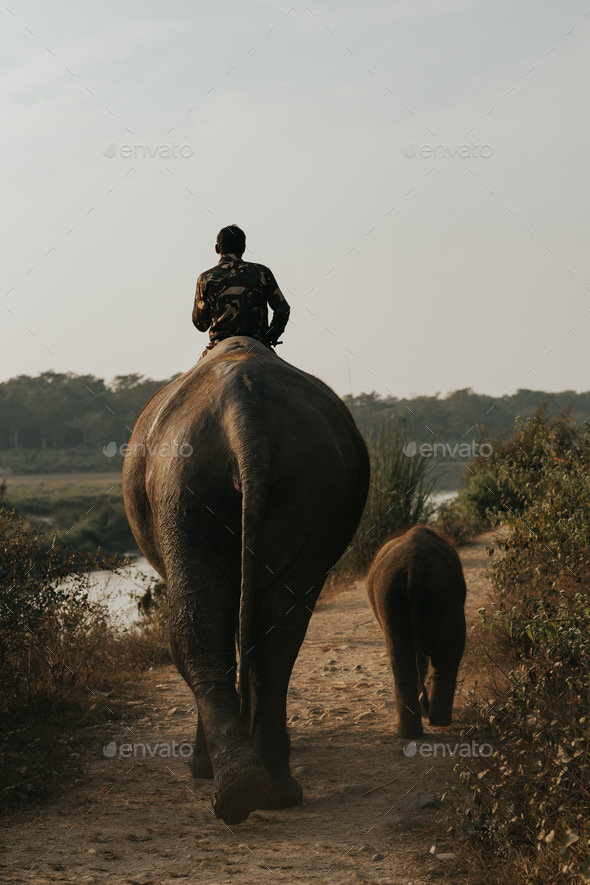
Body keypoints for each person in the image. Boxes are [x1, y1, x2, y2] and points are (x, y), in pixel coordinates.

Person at [192, 225, 290, 357]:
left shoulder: (205, 278)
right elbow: (283, 309)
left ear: (217, 249)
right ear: (243, 248)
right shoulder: (261, 272)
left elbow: (201, 324)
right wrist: (269, 336)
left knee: (197, 377)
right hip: (258, 343)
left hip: (219, 345)